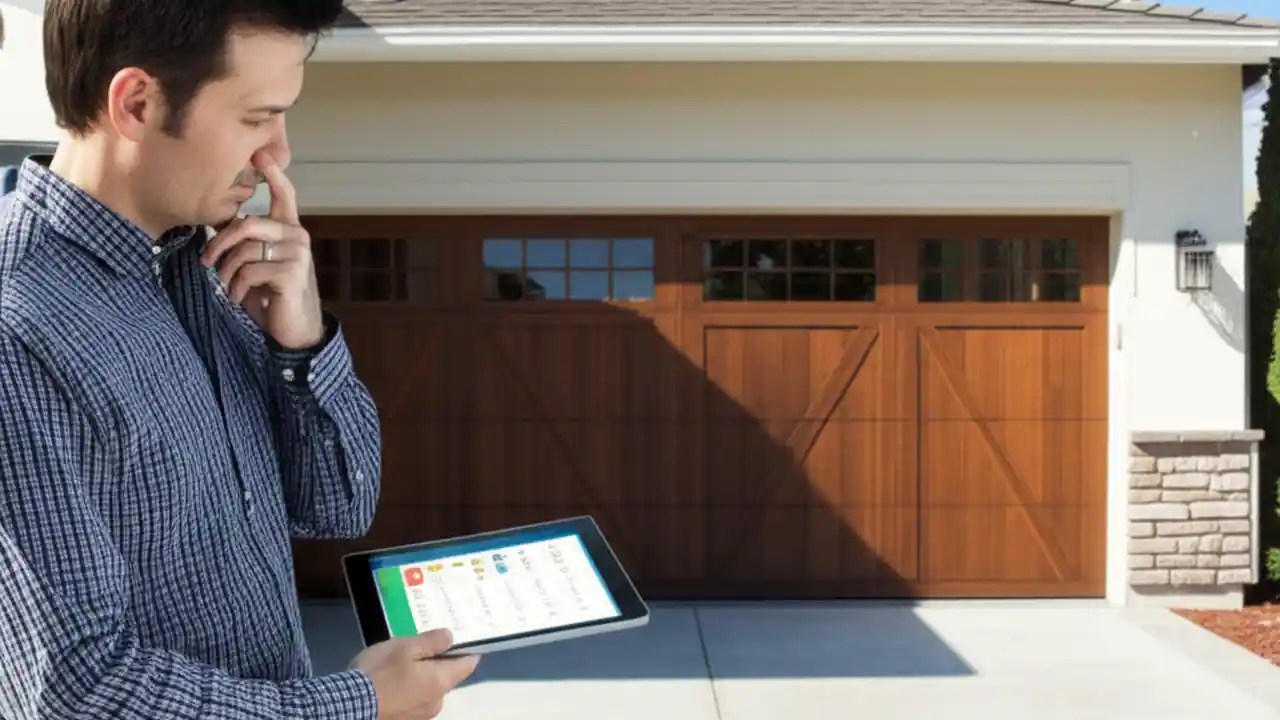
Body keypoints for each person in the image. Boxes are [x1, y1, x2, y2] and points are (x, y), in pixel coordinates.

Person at [0, 2, 479, 718]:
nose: (278, 154)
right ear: (136, 103)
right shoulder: (20, 332)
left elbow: (340, 502)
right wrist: (359, 706)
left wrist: (303, 342)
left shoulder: (218, 265)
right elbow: (78, 690)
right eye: (257, 118)